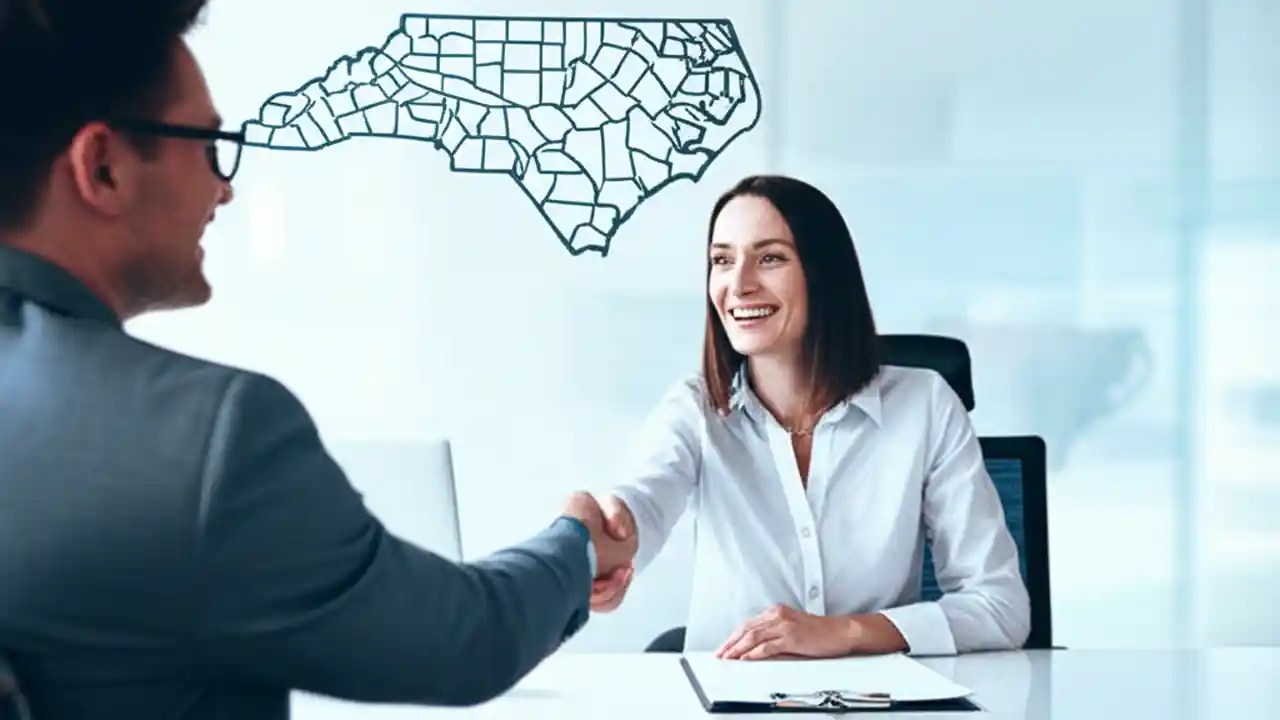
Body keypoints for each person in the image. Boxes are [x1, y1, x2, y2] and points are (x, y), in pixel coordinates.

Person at [0, 1, 634, 718]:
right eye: (210, 145)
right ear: (104, 167)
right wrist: (576, 541)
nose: (225, 188)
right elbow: (464, 638)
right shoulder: (206, 440)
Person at [590, 175, 1031, 658]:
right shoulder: (695, 410)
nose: (738, 284)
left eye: (770, 258)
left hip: (876, 705)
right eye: (722, 260)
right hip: (732, 703)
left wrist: (845, 632)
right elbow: (638, 509)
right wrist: (593, 546)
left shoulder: (925, 405)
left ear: (824, 274)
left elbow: (1000, 607)